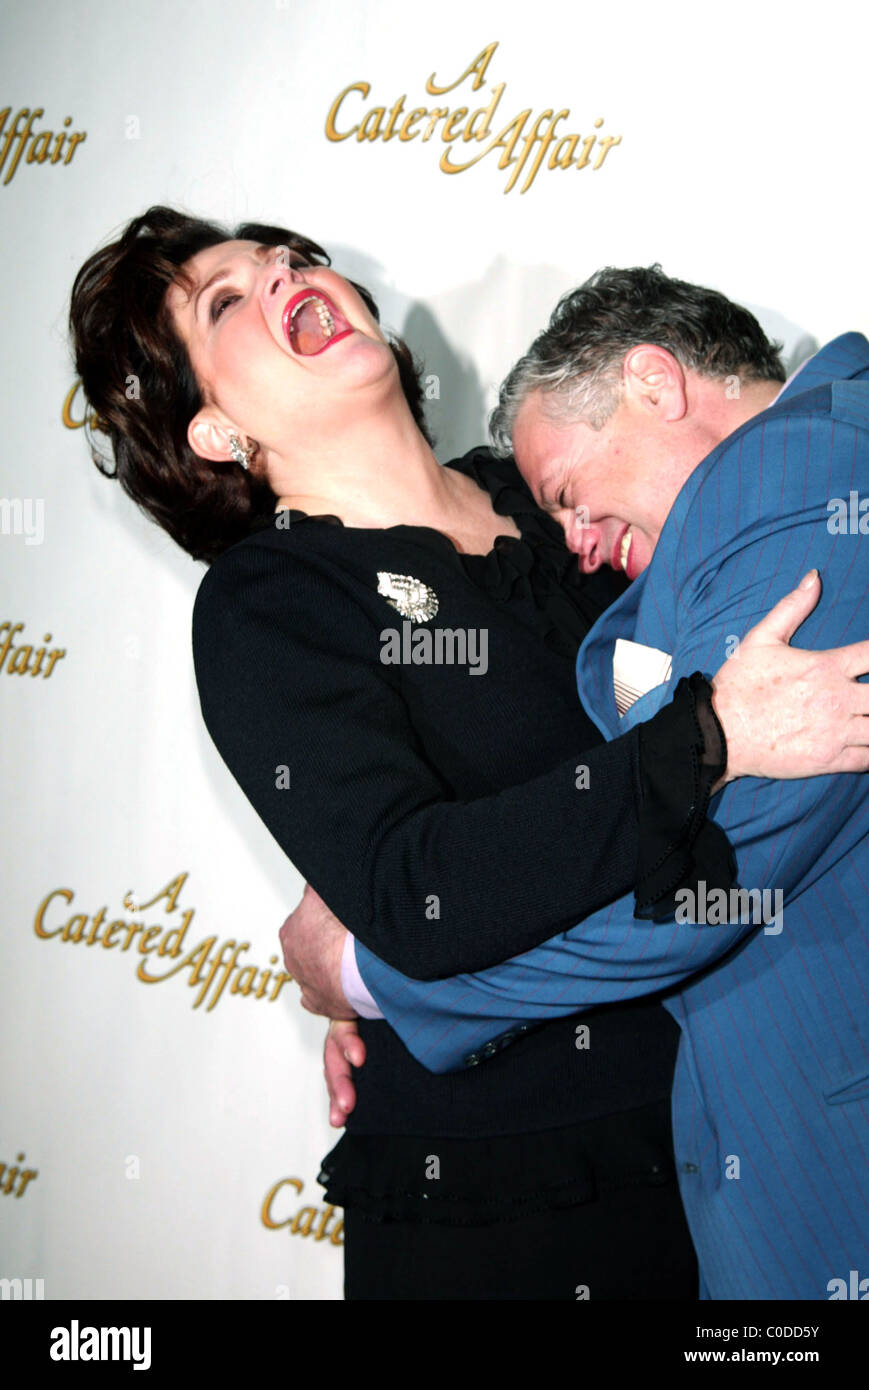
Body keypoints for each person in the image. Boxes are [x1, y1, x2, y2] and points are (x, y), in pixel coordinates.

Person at [67, 214, 868, 1300]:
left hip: (717, 1149)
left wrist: (367, 973)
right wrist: (707, 741)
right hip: (501, 1198)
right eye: (223, 300)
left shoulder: (565, 496)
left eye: (285, 260)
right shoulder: (271, 601)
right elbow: (417, 890)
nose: (286, 277)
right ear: (212, 430)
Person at [305, 266, 869, 1301]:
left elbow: (693, 886)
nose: (571, 540)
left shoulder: (795, 477)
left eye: (562, 491)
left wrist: (376, 975)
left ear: (652, 383)